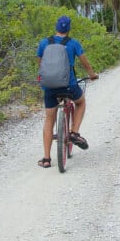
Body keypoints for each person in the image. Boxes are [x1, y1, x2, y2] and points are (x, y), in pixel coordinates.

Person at [36, 15, 98, 168]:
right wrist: (92, 75)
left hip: (49, 87)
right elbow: (85, 63)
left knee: (49, 119)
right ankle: (74, 133)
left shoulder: (44, 42)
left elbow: (40, 64)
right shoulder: (73, 43)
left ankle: (46, 159)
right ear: (68, 29)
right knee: (81, 102)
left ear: (56, 27)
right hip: (68, 86)